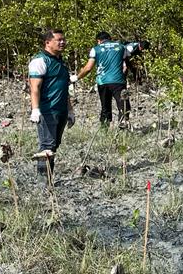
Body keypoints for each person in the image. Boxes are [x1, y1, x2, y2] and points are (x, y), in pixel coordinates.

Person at [28, 29, 75, 180]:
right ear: (47, 42)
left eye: (63, 40)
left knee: (53, 146)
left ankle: (48, 180)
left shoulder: (61, 62)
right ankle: (44, 184)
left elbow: (64, 88)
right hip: (47, 110)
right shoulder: (40, 61)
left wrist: (70, 110)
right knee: (46, 148)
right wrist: (35, 109)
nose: (62, 42)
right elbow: (35, 87)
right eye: (58, 40)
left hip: (60, 110)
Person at [73, 31, 133, 127]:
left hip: (102, 82)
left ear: (99, 41)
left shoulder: (96, 49)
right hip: (118, 81)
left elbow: (88, 68)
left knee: (105, 107)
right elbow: (126, 65)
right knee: (123, 104)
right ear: (109, 38)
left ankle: (104, 129)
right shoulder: (121, 47)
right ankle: (123, 124)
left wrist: (77, 77)